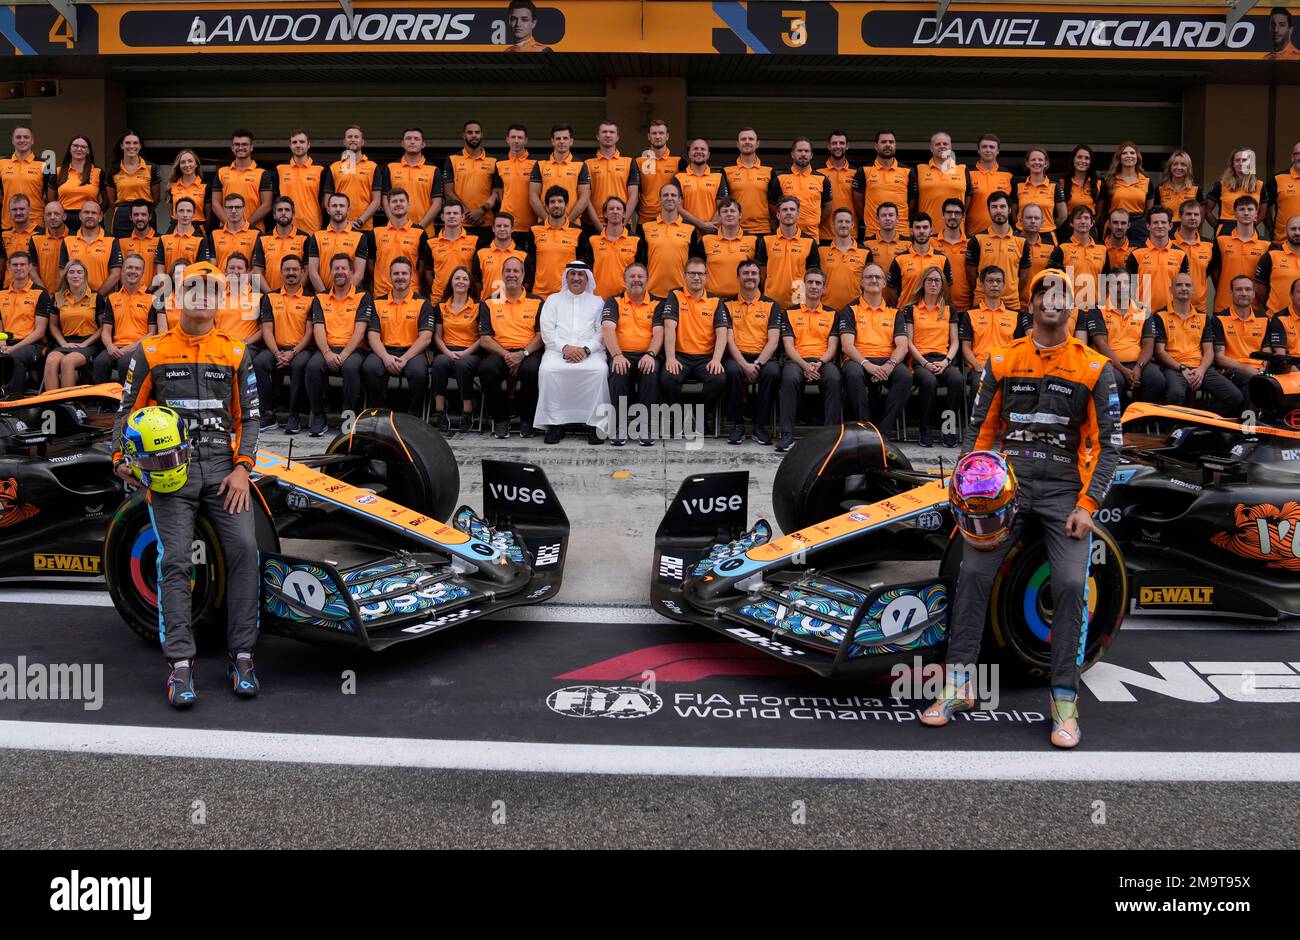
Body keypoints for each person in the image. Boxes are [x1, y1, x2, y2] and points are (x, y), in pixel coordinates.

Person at [922, 268, 1122, 749]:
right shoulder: (1002, 359)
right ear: (1030, 306)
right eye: (1041, 294)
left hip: (1064, 491)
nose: (1051, 301)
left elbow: (1109, 445)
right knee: (972, 575)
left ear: (1071, 307)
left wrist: (1088, 504)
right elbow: (980, 432)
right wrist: (969, 489)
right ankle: (959, 683)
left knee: (1071, 584)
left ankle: (1064, 698)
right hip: (1006, 487)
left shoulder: (1096, 367)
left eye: (1060, 294)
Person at [112, 260, 261, 707]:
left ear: (220, 301)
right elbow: (125, 413)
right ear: (177, 298)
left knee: (245, 551)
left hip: (223, 470)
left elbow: (250, 419)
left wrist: (243, 468)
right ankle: (180, 664)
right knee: (175, 560)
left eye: (211, 290)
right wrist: (121, 459)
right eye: (193, 288)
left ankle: (243, 656)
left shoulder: (236, 352)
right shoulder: (150, 350)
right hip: (169, 473)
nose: (202, 296)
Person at [1142, 271, 1243, 418]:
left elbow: (1209, 351)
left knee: (1235, 396)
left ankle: (1202, 421)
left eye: (1188, 285)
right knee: (1175, 394)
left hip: (1201, 368)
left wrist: (1201, 370)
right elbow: (1159, 352)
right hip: (1173, 368)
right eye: (1179, 285)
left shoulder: (1203, 317)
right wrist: (1182, 368)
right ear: (1171, 290)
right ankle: (1173, 428)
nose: (1184, 288)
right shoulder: (1160, 316)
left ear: (1193, 290)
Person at [534, 260, 611, 444]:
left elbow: (601, 332)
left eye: (581, 274)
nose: (576, 278)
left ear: (587, 278)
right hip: (557, 350)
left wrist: (586, 350)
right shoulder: (553, 300)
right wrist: (565, 348)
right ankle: (555, 424)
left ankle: (595, 425)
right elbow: (547, 330)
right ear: (566, 277)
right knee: (548, 370)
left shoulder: (597, 302)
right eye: (572, 274)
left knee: (599, 371)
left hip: (590, 352)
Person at [839, 263, 910, 440]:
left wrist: (890, 365)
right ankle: (866, 430)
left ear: (884, 283)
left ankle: (884, 432)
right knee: (853, 374)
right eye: (869, 277)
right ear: (861, 282)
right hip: (858, 360)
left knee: (905, 376)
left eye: (878, 277)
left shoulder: (895, 312)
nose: (874, 280)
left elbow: (902, 346)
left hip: (887, 360)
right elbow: (847, 346)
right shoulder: (850, 310)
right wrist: (867, 365)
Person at [305, 254, 373, 436]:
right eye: (336, 268)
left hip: (354, 350)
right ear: (331, 272)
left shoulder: (363, 296)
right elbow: (318, 328)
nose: (340, 272)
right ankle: (318, 415)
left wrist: (343, 355)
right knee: (312, 367)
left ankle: (348, 416)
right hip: (328, 348)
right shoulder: (320, 298)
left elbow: (360, 331)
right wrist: (327, 353)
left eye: (344, 268)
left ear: (351, 272)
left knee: (350, 368)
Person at [774, 267, 841, 452]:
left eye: (818, 283)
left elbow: (833, 346)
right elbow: (788, 346)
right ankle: (787, 434)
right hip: (797, 361)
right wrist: (805, 365)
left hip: (823, 361)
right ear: (803, 286)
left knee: (834, 378)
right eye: (810, 282)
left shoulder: (833, 314)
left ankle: (831, 435)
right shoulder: (789, 313)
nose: (813, 286)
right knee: (789, 378)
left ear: (824, 289)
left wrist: (819, 364)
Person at [477, 255, 543, 438]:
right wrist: (508, 355)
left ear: (523, 275)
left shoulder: (537, 302)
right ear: (502, 274)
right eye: (508, 270)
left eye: (516, 271)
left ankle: (527, 419)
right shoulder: (489, 302)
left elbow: (540, 337)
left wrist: (522, 354)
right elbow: (485, 339)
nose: (511, 274)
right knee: (486, 370)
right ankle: (500, 418)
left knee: (532, 370)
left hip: (528, 352)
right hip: (500, 352)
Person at [660, 256, 728, 431]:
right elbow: (669, 326)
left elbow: (722, 333)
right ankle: (679, 416)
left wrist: (716, 360)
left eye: (700, 274)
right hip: (680, 357)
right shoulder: (675, 295)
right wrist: (670, 358)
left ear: (706, 276)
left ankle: (701, 416)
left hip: (705, 358)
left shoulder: (715, 300)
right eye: (692, 273)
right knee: (668, 378)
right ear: (685, 275)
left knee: (719, 378)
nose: (696, 277)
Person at [363, 256, 434, 417]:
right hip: (384, 350)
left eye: (404, 273)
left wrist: (405, 358)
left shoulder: (423, 303)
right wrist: (386, 357)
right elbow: (372, 336)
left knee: (418, 372)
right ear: (390, 276)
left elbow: (426, 338)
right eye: (396, 273)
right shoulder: (377, 303)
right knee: (369, 368)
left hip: (413, 351)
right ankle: (379, 409)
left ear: (411, 276)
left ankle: (414, 413)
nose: (400, 277)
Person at [601, 262, 663, 447]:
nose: (636, 280)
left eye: (640, 276)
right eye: (632, 276)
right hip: (621, 353)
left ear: (647, 280)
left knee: (650, 372)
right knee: (618, 371)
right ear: (625, 280)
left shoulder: (658, 302)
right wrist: (617, 355)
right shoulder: (614, 301)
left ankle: (645, 426)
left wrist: (651, 354)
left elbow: (659, 332)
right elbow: (608, 328)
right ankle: (619, 426)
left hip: (647, 354)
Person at [722, 258, 781, 445]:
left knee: (772, 372)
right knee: (733, 371)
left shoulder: (772, 305)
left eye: (754, 273)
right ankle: (737, 425)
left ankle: (760, 426)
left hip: (763, 357)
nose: (750, 277)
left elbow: (773, 341)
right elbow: (728, 341)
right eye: (745, 273)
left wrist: (757, 364)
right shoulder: (726, 304)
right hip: (737, 356)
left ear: (759, 277)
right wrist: (744, 365)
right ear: (738, 278)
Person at [904, 265, 964, 447]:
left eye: (937, 280)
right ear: (923, 283)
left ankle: (948, 429)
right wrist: (924, 363)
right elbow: (908, 342)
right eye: (929, 280)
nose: (933, 284)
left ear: (942, 284)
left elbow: (955, 342)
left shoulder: (949, 309)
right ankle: (926, 429)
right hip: (920, 361)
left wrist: (946, 362)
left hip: (943, 359)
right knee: (929, 382)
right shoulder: (912, 309)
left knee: (957, 380)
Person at [255, 253, 315, 433]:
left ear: (302, 272)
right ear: (281, 272)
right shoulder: (270, 297)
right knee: (259, 362)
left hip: (301, 350)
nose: (291, 273)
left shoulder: (312, 299)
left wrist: (293, 352)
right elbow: (266, 330)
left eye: (295, 269)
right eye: (287, 269)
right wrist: (277, 353)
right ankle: (267, 413)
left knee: (298, 366)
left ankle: (294, 415)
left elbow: (310, 332)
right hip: (276, 349)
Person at [1088, 270, 1151, 414]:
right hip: (1110, 364)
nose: (1121, 287)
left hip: (1138, 363)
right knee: (1116, 380)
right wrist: (1123, 370)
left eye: (1125, 283)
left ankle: (1141, 418)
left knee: (1156, 380)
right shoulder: (1097, 309)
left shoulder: (1143, 309)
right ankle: (1117, 419)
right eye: (1116, 283)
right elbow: (1101, 344)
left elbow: (1148, 344)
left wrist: (1139, 367)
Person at [430, 265, 483, 433]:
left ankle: (468, 408)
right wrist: (447, 352)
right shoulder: (441, 306)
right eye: (457, 278)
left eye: (465, 279)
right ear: (451, 283)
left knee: (462, 364)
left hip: (471, 352)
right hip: (446, 350)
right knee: (439, 363)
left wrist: (465, 353)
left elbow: (483, 337)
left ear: (470, 284)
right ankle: (440, 409)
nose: (461, 281)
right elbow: (437, 336)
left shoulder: (479, 306)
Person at [959, 266, 1019, 405]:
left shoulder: (1015, 315)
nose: (995, 284)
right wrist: (976, 364)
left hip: (1006, 367)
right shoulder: (970, 314)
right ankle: (975, 419)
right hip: (980, 366)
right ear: (982, 284)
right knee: (978, 383)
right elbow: (966, 347)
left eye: (998, 281)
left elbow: (1019, 347)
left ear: (1004, 285)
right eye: (990, 281)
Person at [43, 259, 104, 389]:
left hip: (89, 343)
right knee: (51, 361)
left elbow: (103, 327)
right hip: (66, 342)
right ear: (66, 276)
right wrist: (63, 343)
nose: (75, 275)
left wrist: (85, 344)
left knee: (67, 361)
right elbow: (53, 325)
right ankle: (53, 400)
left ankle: (68, 400)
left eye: (79, 272)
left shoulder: (95, 297)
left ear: (85, 275)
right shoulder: (58, 297)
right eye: (71, 272)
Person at [93, 253, 153, 383]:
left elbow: (153, 333)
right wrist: (109, 346)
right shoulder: (113, 298)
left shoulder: (152, 298)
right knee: (100, 363)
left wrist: (129, 348)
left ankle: (126, 396)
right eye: (129, 267)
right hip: (116, 347)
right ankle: (102, 397)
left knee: (125, 363)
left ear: (142, 273)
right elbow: (106, 330)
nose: (133, 271)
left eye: (137, 268)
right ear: (123, 270)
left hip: (139, 347)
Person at [1213, 274, 1271, 403]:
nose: (1244, 293)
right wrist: (1246, 368)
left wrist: (1264, 368)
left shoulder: (1264, 319)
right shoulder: (1219, 319)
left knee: (1275, 383)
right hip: (1230, 370)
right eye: (1239, 289)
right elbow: (1219, 357)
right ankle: (1248, 416)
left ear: (1253, 293)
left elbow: (1267, 352)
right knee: (1252, 382)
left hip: (1259, 371)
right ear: (1231, 293)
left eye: (1248, 289)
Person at [0, 251, 51, 396]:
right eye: (15, 265)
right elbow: (0, 325)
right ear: (8, 268)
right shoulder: (1, 294)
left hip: (34, 345)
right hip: (7, 342)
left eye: (22, 264)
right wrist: (2, 343)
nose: (19, 268)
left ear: (29, 267)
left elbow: (40, 332)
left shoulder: (40, 293)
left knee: (15, 357)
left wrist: (13, 348)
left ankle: (14, 399)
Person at [637, 182, 699, 299]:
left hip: (682, 293)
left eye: (673, 195)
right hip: (651, 293)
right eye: (665, 195)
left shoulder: (690, 229)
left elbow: (693, 264)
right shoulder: (646, 227)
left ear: (679, 200)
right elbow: (640, 262)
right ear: (659, 200)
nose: (669, 198)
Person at [1208, 194, 1268, 313]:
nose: (1246, 213)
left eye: (1250, 209)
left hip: (1254, 307)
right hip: (1224, 304)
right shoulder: (1221, 241)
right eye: (1241, 209)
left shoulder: (1266, 244)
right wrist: (1223, 290)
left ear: (1256, 214)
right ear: (1235, 214)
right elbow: (1214, 271)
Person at [965, 192, 1026, 310]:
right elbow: (971, 275)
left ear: (1009, 209)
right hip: (982, 302)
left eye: (1002, 206)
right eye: (994, 207)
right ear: (989, 210)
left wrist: (1009, 290)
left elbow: (1024, 276)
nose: (998, 211)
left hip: (1011, 303)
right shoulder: (977, 239)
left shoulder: (1022, 241)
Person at [444, 120, 501, 241]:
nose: (474, 135)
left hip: (486, 222)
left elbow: (496, 192)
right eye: (470, 132)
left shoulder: (494, 160)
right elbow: (448, 192)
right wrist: (468, 214)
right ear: (464, 135)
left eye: (477, 132)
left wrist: (481, 211)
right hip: (460, 222)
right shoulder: (452, 159)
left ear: (482, 135)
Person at [755, 194, 816, 307]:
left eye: (792, 209)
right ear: (778, 215)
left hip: (798, 302)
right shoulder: (766, 240)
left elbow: (811, 276)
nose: (788, 212)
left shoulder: (809, 242)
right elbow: (762, 274)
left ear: (798, 214)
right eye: (784, 210)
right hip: (771, 301)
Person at [1125, 206, 1188, 314]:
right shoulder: (1136, 254)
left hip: (1171, 315)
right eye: (1155, 222)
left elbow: (1184, 288)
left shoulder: (1181, 255)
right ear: (1148, 226)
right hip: (1141, 315)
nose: (1160, 226)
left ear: (1170, 226)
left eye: (1163, 222)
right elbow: (1128, 289)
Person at [768, 137, 830, 239]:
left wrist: (814, 221)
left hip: (812, 236)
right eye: (799, 151)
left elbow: (828, 207)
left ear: (811, 155)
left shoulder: (822, 179)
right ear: (792, 154)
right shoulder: (780, 178)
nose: (803, 154)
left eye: (806, 151)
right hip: (786, 236)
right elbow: (772, 206)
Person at [210, 130, 272, 230]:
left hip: (254, 231)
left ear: (251, 147)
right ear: (232, 148)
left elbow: (267, 205)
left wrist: (246, 227)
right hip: (226, 232)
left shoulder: (262, 173)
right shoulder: (221, 172)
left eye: (244, 144)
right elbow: (215, 203)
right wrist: (230, 226)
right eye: (237, 144)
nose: (240, 147)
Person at [367, 187, 424, 297]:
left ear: (408, 204)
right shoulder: (376, 232)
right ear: (388, 205)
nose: (398, 204)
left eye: (401, 201)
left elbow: (421, 269)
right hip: (381, 294)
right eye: (394, 201)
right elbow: (370, 266)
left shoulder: (420, 233)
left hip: (411, 293)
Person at [855, 130, 912, 239]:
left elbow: (912, 201)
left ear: (895, 145)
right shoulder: (864, 170)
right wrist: (868, 218)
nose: (888, 145)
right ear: (876, 146)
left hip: (902, 232)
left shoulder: (908, 171)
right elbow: (858, 201)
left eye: (891, 142)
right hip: (873, 231)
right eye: (883, 142)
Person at [529, 125, 589, 226]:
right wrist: (549, 221)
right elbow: (533, 197)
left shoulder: (580, 165)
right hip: (544, 226)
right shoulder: (540, 164)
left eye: (565, 138)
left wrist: (567, 222)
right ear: (552, 141)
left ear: (571, 141)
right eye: (558, 138)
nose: (561, 141)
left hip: (572, 225)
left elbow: (584, 198)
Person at [580, 195, 639, 299]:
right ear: (605, 214)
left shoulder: (636, 240)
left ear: (624, 214)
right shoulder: (593, 240)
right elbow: (587, 272)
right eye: (611, 209)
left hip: (626, 300)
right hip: (598, 299)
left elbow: (641, 272)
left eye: (619, 209)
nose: (615, 211)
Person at [306, 192, 368, 291]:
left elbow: (359, 274)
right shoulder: (317, 236)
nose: (338, 209)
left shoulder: (360, 237)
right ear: (328, 210)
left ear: (348, 210)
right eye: (334, 206)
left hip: (349, 296)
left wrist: (343, 294)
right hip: (322, 295)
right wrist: (324, 295)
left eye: (342, 206)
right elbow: (312, 272)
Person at [584, 120, 639, 230]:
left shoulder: (629, 162)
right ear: (598, 136)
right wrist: (598, 226)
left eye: (612, 132)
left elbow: (634, 196)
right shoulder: (587, 164)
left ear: (617, 137)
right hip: (594, 225)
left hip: (622, 223)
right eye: (604, 132)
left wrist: (622, 223)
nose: (608, 135)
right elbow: (585, 198)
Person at [888, 211, 952, 307]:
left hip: (933, 312)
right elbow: (892, 292)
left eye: (925, 227)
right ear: (911, 231)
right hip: (905, 312)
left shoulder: (942, 259)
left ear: (931, 230)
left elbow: (947, 290)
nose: (921, 231)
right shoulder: (899, 259)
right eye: (917, 227)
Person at [384, 127, 441, 233]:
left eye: (416, 139)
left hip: (425, 231)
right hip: (396, 230)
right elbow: (385, 198)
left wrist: (419, 227)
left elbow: (437, 203)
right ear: (402, 143)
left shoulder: (433, 170)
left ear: (423, 144)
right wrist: (395, 222)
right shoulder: (391, 167)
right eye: (408, 138)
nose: (412, 141)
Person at [420, 199, 478, 301]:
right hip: (439, 298)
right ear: (442, 217)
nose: (451, 216)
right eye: (448, 213)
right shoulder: (431, 242)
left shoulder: (474, 241)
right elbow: (428, 272)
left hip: (465, 298)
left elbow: (477, 274)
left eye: (455, 213)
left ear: (462, 217)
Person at [531, 186, 583, 297]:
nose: (556, 205)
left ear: (566, 204)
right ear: (546, 206)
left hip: (567, 294)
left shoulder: (578, 232)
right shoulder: (534, 230)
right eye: (552, 202)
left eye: (560, 201)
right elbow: (530, 264)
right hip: (539, 294)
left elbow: (581, 267)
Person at [105, 131, 159, 238]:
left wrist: (146, 211)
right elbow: (111, 201)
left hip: (144, 213)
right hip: (122, 216)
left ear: (140, 146)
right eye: (128, 143)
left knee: (148, 245)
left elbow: (156, 198)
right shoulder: (114, 170)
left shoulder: (150, 167)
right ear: (121, 146)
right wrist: (123, 211)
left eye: (135, 143)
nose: (131, 146)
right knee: (121, 246)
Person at [59, 203, 121, 295]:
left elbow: (116, 274)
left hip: (103, 299)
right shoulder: (68, 241)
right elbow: (62, 272)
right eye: (86, 212)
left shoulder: (112, 241)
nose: (90, 216)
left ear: (100, 217)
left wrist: (98, 296)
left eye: (94, 213)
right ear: (80, 216)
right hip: (74, 299)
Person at [911, 131, 970, 228]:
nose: (942, 146)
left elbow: (968, 198)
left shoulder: (963, 169)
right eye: (938, 144)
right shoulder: (919, 169)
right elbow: (912, 199)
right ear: (931, 148)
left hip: (956, 231)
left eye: (945, 144)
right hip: (926, 231)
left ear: (950, 148)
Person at [700, 197, 756, 298]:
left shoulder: (753, 240)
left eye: (732, 211)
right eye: (725, 211)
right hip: (713, 300)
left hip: (743, 300)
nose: (729, 214)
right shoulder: (706, 240)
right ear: (719, 216)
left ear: (740, 215)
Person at [47, 135, 104, 233]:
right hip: (64, 219)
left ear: (88, 151)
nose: (79, 149)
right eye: (75, 146)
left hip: (90, 218)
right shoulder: (58, 172)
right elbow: (51, 199)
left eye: (83, 147)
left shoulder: (98, 172)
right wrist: (59, 214)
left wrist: (96, 213)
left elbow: (107, 201)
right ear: (70, 149)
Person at [200, 193, 265, 278]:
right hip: (221, 282)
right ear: (224, 209)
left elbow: (257, 268)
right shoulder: (215, 234)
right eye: (230, 207)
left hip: (247, 284)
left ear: (244, 209)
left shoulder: (256, 233)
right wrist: (220, 281)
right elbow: (212, 264)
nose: (233, 211)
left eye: (237, 207)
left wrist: (242, 282)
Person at [329, 126, 381, 231]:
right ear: (344, 142)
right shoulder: (334, 167)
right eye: (350, 137)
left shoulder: (373, 167)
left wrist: (360, 221)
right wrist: (344, 222)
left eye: (356, 137)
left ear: (362, 142)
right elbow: (327, 200)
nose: (353, 139)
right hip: (339, 227)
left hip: (364, 226)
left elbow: (377, 201)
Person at [275, 129, 326, 237]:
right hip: (286, 227)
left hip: (312, 227)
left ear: (308, 145)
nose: (298, 145)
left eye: (302, 142)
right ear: (290, 145)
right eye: (294, 142)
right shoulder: (280, 169)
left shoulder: (320, 169)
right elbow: (275, 200)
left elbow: (324, 202)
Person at [1101, 141, 1153, 244]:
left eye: (1132, 153)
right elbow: (1102, 210)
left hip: (1139, 227)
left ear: (1137, 157)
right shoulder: (1109, 181)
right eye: (1124, 153)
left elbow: (1149, 212)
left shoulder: (1146, 181)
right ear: (1119, 158)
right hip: (1115, 225)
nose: (1129, 156)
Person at [818, 207, 870, 310]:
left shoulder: (865, 252)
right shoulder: (821, 250)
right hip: (826, 309)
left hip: (855, 310)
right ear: (833, 225)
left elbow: (868, 284)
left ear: (852, 225)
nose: (843, 225)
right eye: (840, 221)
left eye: (847, 222)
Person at [1205, 148, 1264, 236]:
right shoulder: (1221, 185)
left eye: (1244, 160)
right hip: (1226, 230)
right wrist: (1217, 226)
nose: (1241, 163)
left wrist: (1252, 225)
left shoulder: (1259, 185)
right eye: (1237, 160)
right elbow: (1207, 210)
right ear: (1232, 164)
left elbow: (1263, 213)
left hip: (1249, 230)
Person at [724, 128, 771, 236]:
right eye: (743, 139)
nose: (747, 141)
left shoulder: (769, 170)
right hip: (735, 229)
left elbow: (773, 203)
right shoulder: (727, 170)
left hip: (763, 229)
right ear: (737, 144)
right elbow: (723, 202)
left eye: (751, 139)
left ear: (757, 143)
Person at [0, 126, 47, 232]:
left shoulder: (45, 164)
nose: (22, 140)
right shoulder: (1, 163)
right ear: (12, 141)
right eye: (18, 137)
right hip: (8, 224)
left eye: (26, 137)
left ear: (32, 140)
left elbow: (50, 197)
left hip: (36, 224)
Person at [676, 138, 727, 234]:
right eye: (695, 149)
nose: (699, 151)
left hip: (712, 233)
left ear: (708, 155)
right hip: (686, 233)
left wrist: (710, 228)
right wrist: (701, 225)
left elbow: (722, 206)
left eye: (703, 149)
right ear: (689, 154)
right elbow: (678, 208)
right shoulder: (679, 177)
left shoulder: (718, 176)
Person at [497, 124, 538, 240]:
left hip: (530, 224)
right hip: (506, 224)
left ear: (526, 140)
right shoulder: (499, 163)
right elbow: (499, 193)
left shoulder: (536, 163)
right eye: (513, 137)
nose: (516, 141)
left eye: (520, 138)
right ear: (507, 139)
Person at [258, 196, 307, 292]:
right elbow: (257, 272)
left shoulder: (305, 238)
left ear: (293, 214)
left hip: (297, 296)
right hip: (269, 295)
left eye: (287, 210)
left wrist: (295, 291)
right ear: (274, 215)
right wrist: (270, 295)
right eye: (280, 210)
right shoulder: (262, 239)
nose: (283, 213)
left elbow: (307, 271)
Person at [966, 134, 1013, 236]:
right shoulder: (968, 173)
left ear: (998, 151)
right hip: (973, 232)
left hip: (1001, 234)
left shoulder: (1008, 175)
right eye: (984, 147)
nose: (988, 150)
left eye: (992, 147)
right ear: (979, 150)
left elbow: (1013, 207)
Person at [1173, 199, 1213, 315]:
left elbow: (1207, 273)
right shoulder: (1168, 242)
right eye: (1188, 214)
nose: (1192, 218)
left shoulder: (1209, 245)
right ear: (1180, 217)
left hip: (1199, 307)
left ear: (1201, 218)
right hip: (1172, 305)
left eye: (1196, 214)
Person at [1254, 214, 1300, 316]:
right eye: (1293, 229)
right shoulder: (1271, 255)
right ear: (1286, 231)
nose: (1297, 232)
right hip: (1276, 318)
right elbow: (1259, 287)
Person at [476, 213, 528, 296]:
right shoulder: (481, 253)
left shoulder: (523, 255)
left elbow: (526, 283)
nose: (502, 229)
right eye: (499, 226)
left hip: (513, 303)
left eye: (506, 226)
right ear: (493, 228)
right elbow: (477, 283)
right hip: (487, 302)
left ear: (512, 229)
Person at [1015, 147, 1066, 231]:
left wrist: (1049, 228)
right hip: (1023, 234)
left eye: (1040, 160)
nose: (1037, 162)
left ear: (1046, 163)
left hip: (1046, 234)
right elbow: (1013, 213)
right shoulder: (1019, 186)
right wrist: (1021, 227)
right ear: (1027, 163)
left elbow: (1063, 216)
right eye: (1033, 160)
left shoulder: (1054, 186)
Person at [935, 198, 971, 313]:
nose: (953, 216)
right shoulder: (931, 242)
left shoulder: (971, 242)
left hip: (965, 305)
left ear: (963, 217)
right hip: (936, 305)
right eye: (949, 212)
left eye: (957, 213)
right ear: (942, 215)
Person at [156, 197, 203, 284]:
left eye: (189, 211)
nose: (185, 215)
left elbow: (201, 271)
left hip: (190, 287)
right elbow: (160, 269)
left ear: (194, 214)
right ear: (175, 214)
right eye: (181, 211)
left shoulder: (200, 240)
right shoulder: (164, 238)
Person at [1263, 140, 1300, 243]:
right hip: (1282, 242)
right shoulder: (1278, 179)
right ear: (1292, 157)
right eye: (1298, 154)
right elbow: (1262, 206)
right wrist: (1272, 229)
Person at [31, 201, 69, 292]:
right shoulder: (36, 239)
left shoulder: (74, 237)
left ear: (64, 216)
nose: (52, 217)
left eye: (56, 214)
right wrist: (45, 293)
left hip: (69, 295)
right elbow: (32, 271)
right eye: (49, 214)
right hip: (45, 293)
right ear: (44, 218)